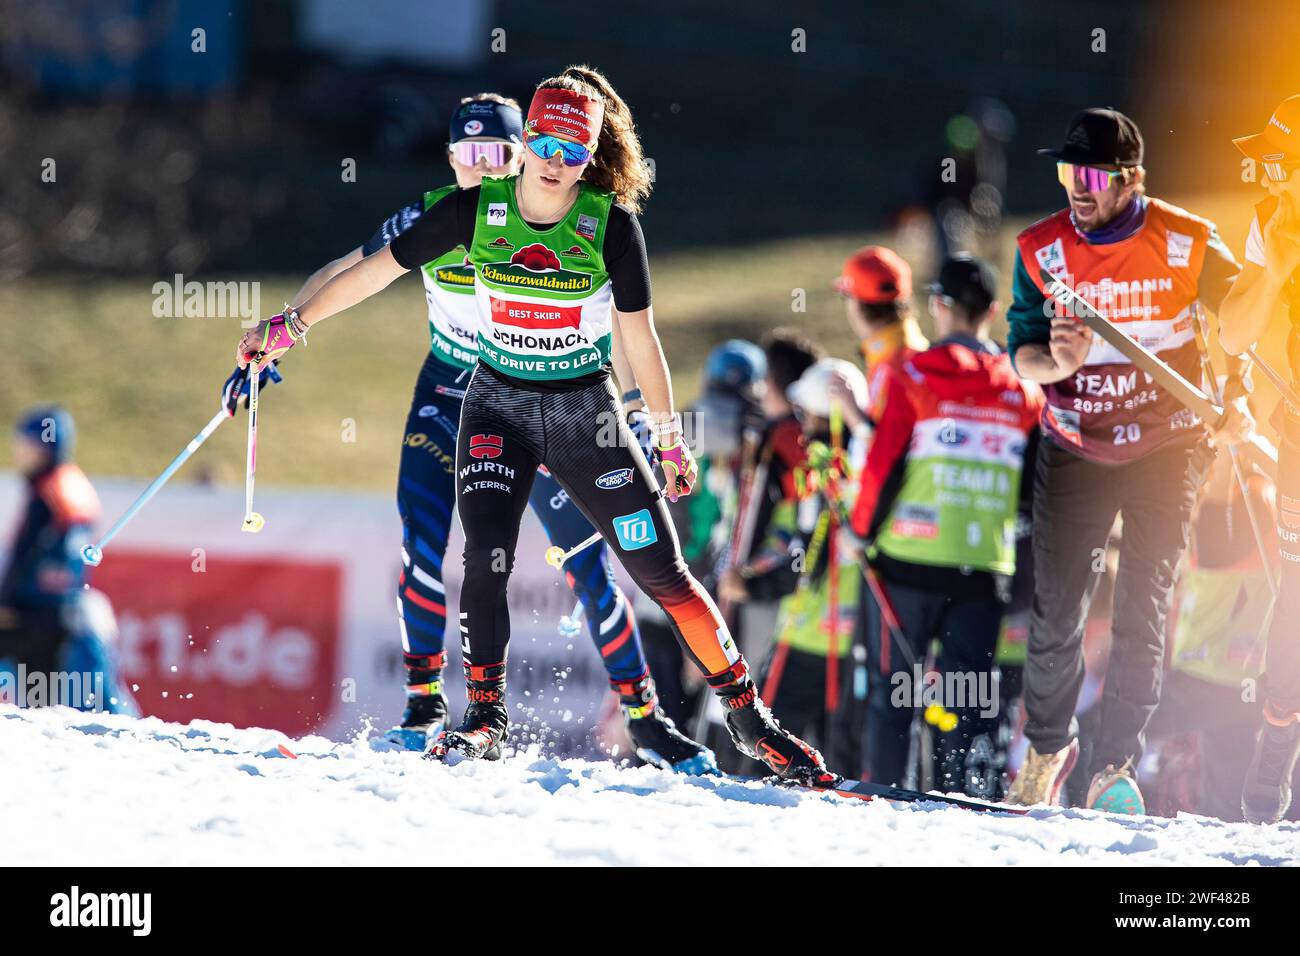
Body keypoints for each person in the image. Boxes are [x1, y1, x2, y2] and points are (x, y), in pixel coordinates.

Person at [232, 67, 833, 785]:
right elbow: (371, 272)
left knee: (660, 571)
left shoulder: (610, 226)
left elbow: (642, 342)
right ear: (527, 145)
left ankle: (749, 719)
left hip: (586, 418)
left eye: (571, 152)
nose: (554, 162)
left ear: (588, 158)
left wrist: (669, 438)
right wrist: (289, 326)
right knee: (486, 552)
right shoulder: (472, 211)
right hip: (496, 410)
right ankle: (485, 717)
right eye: (544, 142)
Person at [1004, 108, 1246, 813]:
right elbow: (1020, 356)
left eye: (1091, 176)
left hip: (1168, 447)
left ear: (1132, 178)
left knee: (1145, 607)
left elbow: (1243, 324)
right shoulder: (1040, 250)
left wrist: (1230, 395)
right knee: (1057, 612)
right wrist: (1057, 360)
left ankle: (1114, 768)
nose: (1076, 189)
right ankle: (1047, 748)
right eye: (1065, 173)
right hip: (1076, 445)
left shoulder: (1188, 241)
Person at [850, 255, 1042, 796]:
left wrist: (860, 531)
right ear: (994, 312)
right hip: (983, 570)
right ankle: (965, 812)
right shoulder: (1024, 391)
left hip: (906, 564)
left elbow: (884, 465)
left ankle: (881, 812)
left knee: (895, 699)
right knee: (965, 705)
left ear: (938, 307)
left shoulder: (913, 374)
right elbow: (1032, 493)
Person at [1219, 93, 1300, 822]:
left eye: (1279, 162)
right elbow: (1236, 334)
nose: (1265, 175)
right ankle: (1277, 738)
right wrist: (1275, 270)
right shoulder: (1271, 219)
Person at [1144, 448, 1276, 821]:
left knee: (1118, 728)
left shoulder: (1247, 497)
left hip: (1207, 673)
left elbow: (1217, 529)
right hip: (1239, 681)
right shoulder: (1255, 495)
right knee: (1227, 797)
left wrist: (1223, 446)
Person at [752, 358, 868, 756]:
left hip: (811, 639)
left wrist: (753, 585)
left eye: (807, 416)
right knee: (838, 758)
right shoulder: (857, 468)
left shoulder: (833, 475)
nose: (801, 428)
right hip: (852, 643)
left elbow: (807, 563)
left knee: (768, 753)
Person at [0, 407, 135, 714]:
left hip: (30, 609)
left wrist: (4, 601)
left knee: (36, 689)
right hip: (61, 608)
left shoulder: (46, 491)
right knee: (40, 699)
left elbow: (27, 551)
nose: (19, 452)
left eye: (26, 445)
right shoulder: (74, 485)